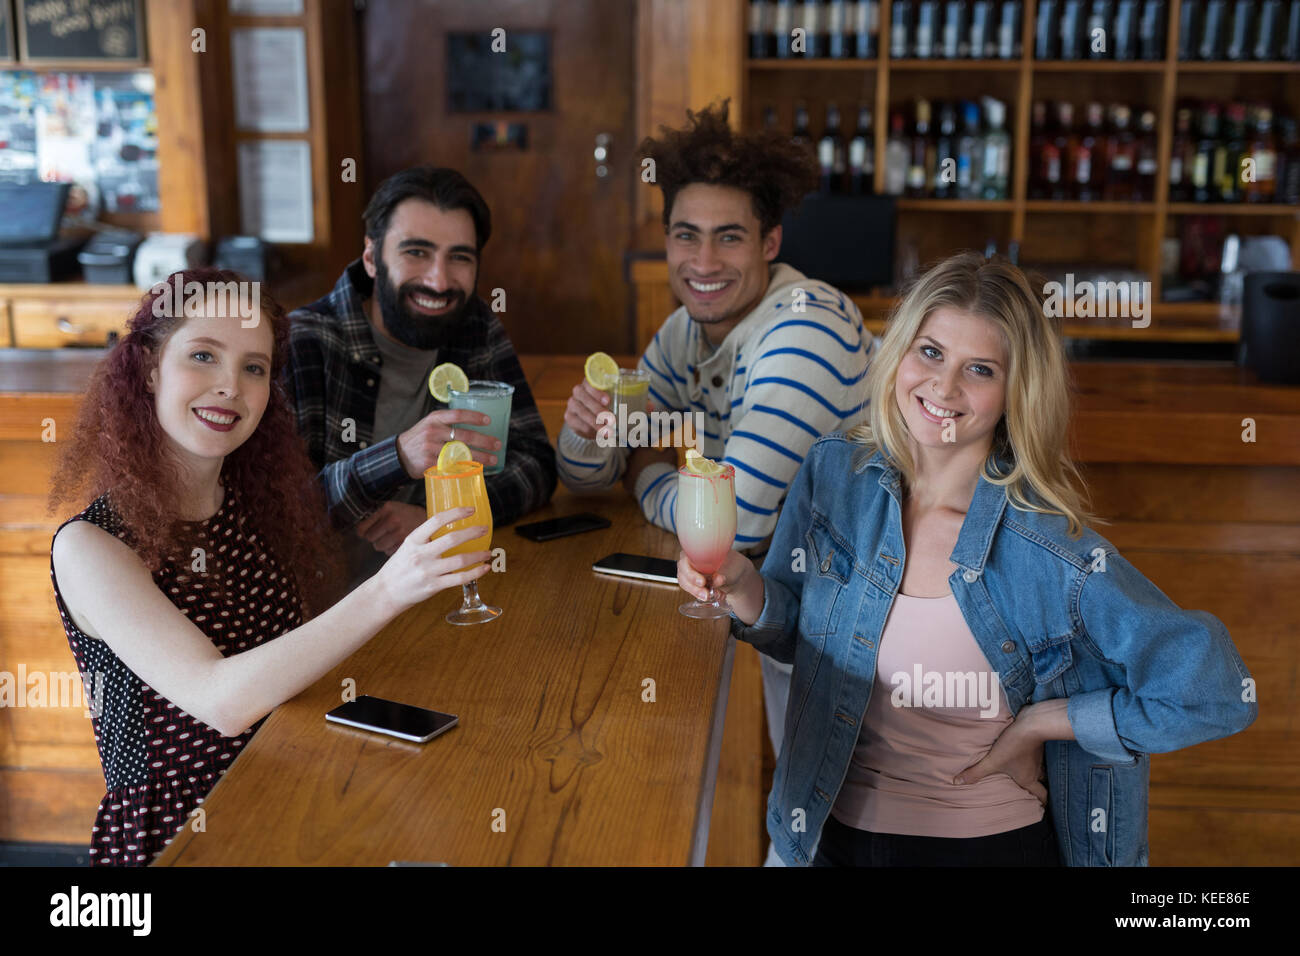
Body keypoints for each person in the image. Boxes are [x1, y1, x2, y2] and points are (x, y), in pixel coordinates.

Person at [677, 251, 1257, 866]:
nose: (944, 387)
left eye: (979, 369)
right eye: (930, 352)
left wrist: (1045, 722)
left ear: (1015, 392)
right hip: (825, 834)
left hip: (983, 847)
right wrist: (745, 587)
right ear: (899, 352)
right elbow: (798, 632)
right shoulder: (836, 475)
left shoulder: (1047, 550)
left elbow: (1218, 694)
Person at [48, 270, 492, 865]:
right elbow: (221, 702)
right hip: (182, 835)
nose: (230, 386)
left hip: (294, 790)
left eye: (254, 368)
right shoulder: (89, 546)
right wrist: (389, 588)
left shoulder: (255, 505)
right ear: (150, 369)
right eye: (203, 355)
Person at [557, 102, 876, 854]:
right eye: (685, 235)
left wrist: (645, 474)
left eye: (729, 236)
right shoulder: (688, 331)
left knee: (830, 833)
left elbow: (738, 523)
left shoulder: (804, 329)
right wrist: (587, 428)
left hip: (865, 626)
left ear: (769, 242)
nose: (703, 262)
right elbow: (588, 474)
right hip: (787, 608)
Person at [287, 166, 557, 585]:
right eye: (416, 252)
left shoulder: (475, 327)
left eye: (460, 257)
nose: (439, 280)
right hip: (328, 603)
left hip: (438, 591)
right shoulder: (301, 341)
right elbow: (284, 511)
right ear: (372, 258)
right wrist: (397, 457)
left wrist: (438, 514)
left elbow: (536, 465)